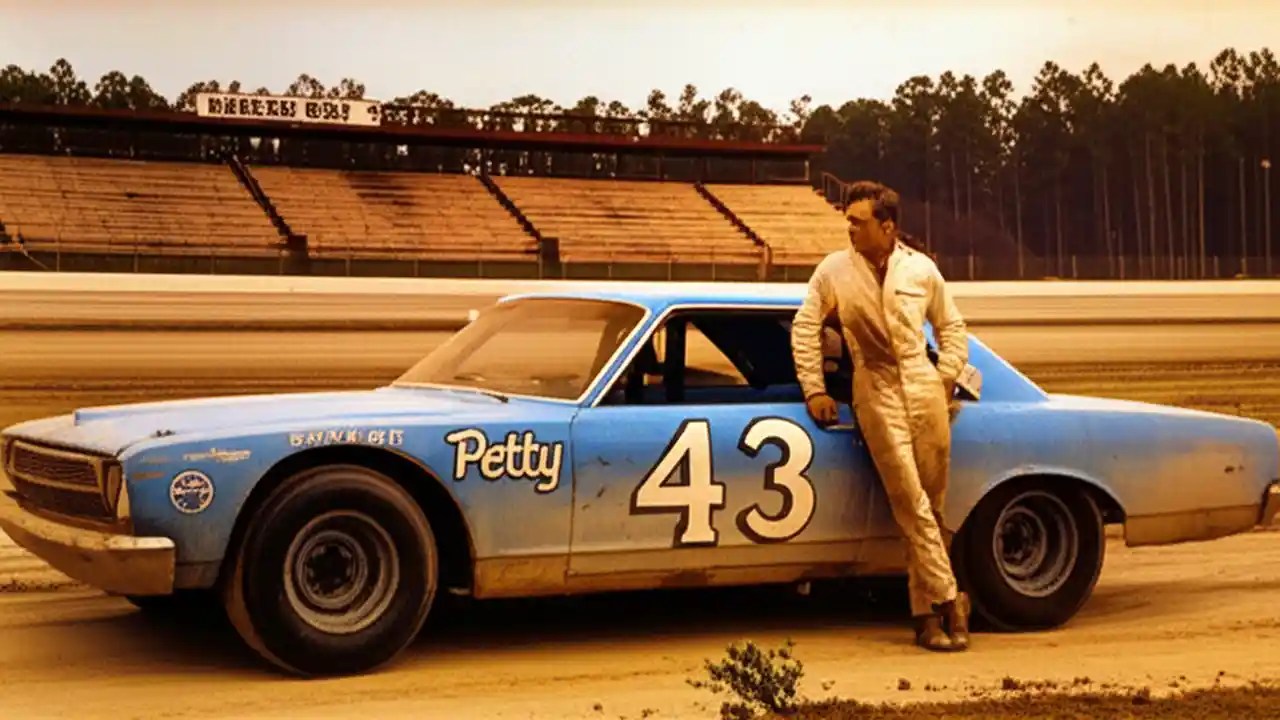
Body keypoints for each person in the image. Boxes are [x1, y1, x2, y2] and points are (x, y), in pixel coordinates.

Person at [790, 180, 971, 652]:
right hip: (873, 385)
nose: (849, 228)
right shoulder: (833, 271)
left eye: (858, 221)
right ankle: (951, 600)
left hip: (923, 384)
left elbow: (951, 326)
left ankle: (922, 615)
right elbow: (805, 326)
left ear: (886, 226)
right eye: (848, 220)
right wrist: (814, 388)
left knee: (931, 505)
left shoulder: (922, 269)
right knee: (909, 500)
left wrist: (946, 375)